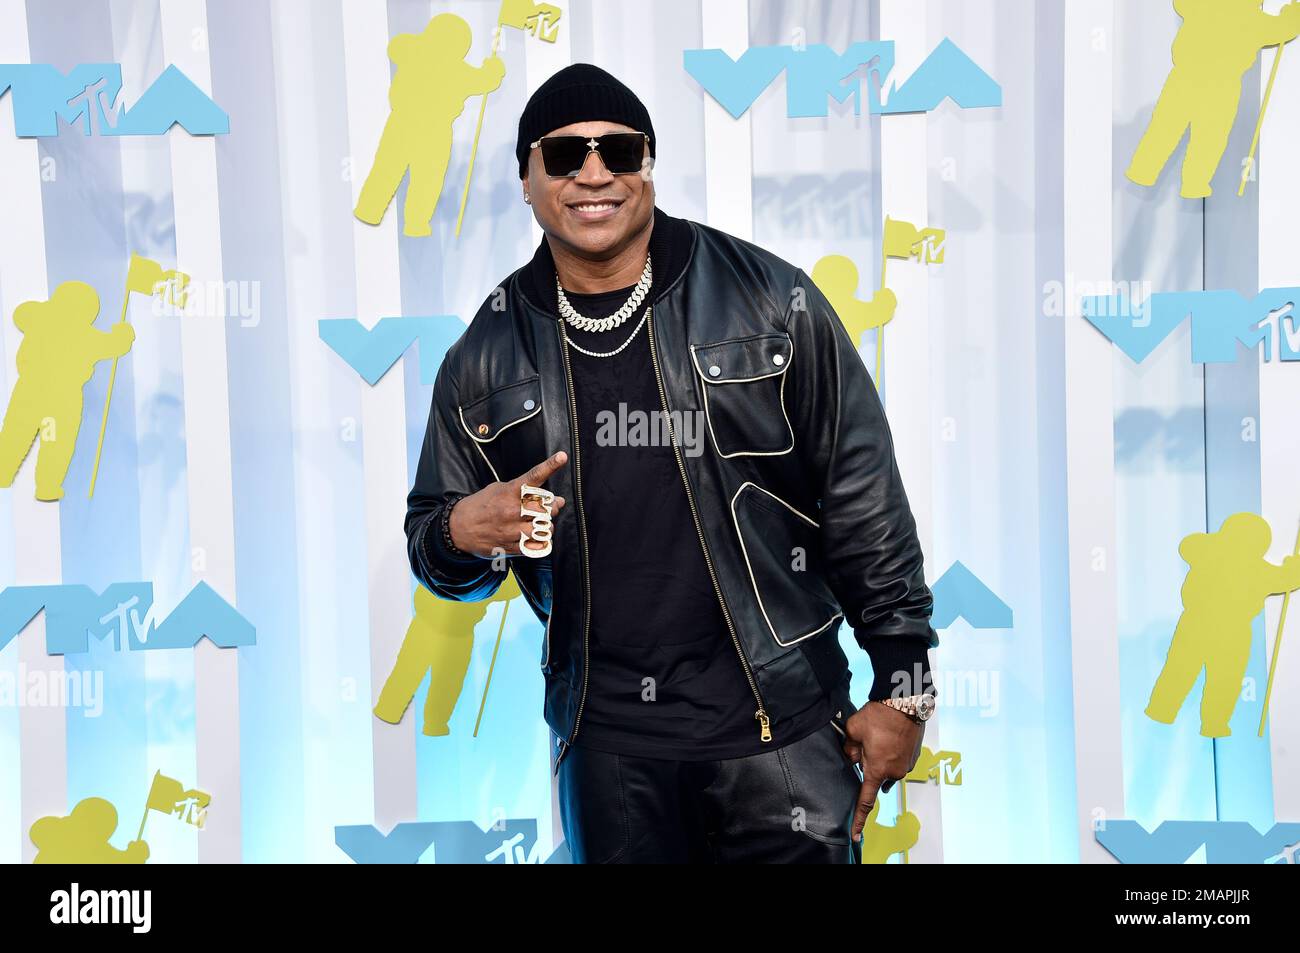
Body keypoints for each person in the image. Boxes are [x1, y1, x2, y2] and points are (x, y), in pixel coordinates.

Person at [407, 64, 937, 863]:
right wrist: (463, 531)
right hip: (610, 751)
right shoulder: (485, 356)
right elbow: (435, 549)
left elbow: (864, 498)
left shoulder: (770, 301)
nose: (594, 173)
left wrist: (907, 687)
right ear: (526, 179)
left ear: (648, 166)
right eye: (564, 155)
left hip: (783, 734)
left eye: (619, 151)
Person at [1126, 0, 1300, 198]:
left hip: (1186, 75)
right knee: (1209, 139)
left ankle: (1143, 170)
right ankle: (1195, 184)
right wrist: (1293, 13)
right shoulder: (1254, 20)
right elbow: (1285, 28)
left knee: (1165, 127)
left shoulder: (1203, 4)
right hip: (1222, 86)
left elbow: (1181, 4)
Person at [353, 13, 505, 237]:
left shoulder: (414, 51)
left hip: (404, 122)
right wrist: (494, 68)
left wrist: (421, 43)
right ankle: (415, 224)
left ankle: (370, 210)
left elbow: (396, 46)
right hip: (433, 130)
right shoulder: (457, 71)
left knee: (388, 170)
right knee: (427, 180)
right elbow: (486, 81)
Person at [0, 280, 134, 500]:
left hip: (30, 391)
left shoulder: (39, 318)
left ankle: (4, 472)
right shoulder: (88, 337)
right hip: (60, 400)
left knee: (17, 433)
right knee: (54, 442)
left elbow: (20, 314)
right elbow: (116, 345)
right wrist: (124, 332)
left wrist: (45, 308)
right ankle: (47, 487)